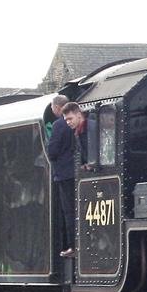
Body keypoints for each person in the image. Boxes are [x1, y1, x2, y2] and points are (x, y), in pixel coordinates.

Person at [48, 101, 84, 257]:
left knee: (69, 211)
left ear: (57, 108)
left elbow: (52, 151)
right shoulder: (79, 123)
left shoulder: (58, 125)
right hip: (79, 172)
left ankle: (72, 245)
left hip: (65, 173)